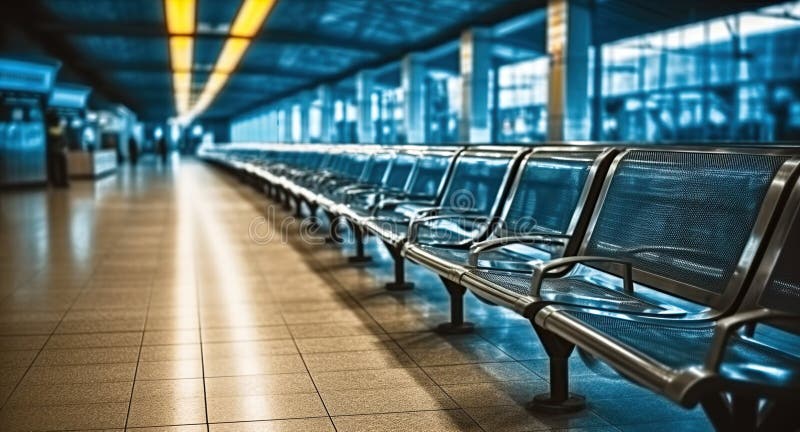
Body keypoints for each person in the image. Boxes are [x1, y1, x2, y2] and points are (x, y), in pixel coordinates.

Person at [45, 112, 69, 187]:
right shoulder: (61, 128)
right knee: (62, 167)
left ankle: (55, 182)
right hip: (61, 150)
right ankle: (63, 182)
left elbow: (50, 139)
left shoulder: (48, 128)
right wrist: (65, 147)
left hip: (53, 150)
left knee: (53, 167)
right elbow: (64, 139)